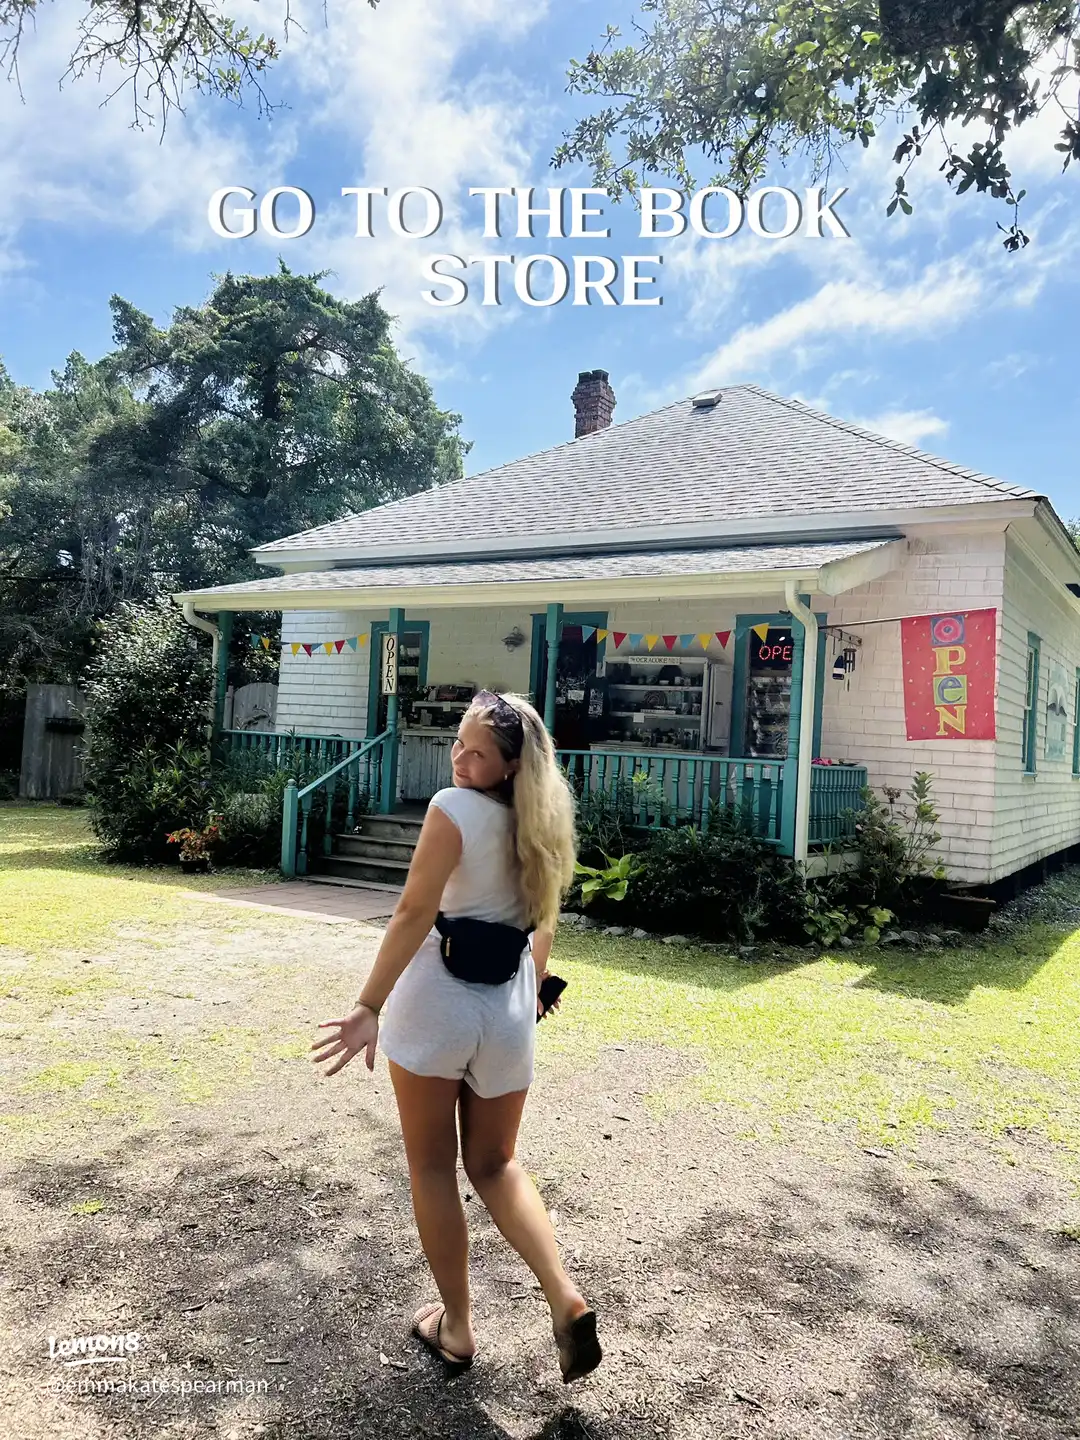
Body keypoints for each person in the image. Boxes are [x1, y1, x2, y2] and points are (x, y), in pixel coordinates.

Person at [311, 690, 602, 1384]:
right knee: (498, 1164)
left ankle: (458, 1326)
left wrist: (367, 1005)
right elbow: (544, 927)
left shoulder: (450, 807)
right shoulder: (545, 825)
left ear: (506, 766)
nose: (460, 757)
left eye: (477, 751)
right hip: (506, 1006)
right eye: (458, 743)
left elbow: (415, 909)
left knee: (434, 1166)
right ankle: (563, 1295)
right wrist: (531, 993)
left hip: (436, 1001)